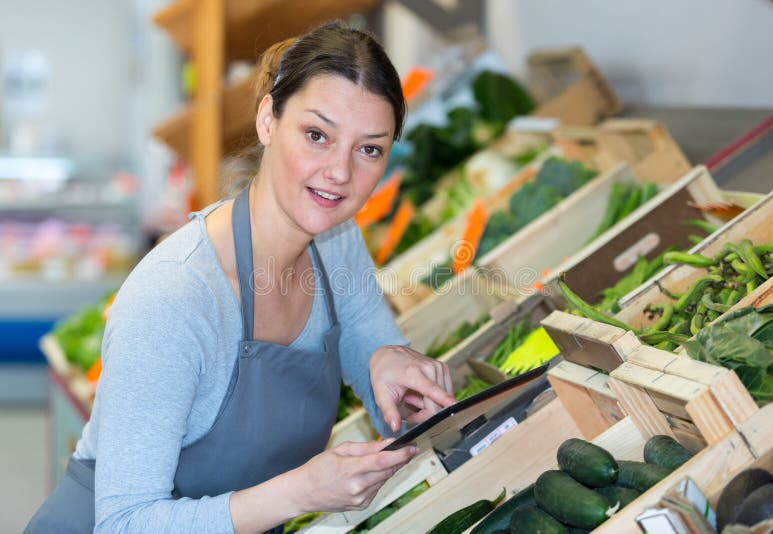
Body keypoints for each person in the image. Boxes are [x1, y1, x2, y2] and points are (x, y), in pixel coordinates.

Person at [26, 21, 455, 534]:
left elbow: (369, 342)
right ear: (268, 121)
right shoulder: (176, 297)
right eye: (317, 135)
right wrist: (299, 491)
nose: (340, 172)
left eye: (369, 149)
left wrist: (389, 369)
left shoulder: (336, 245)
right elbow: (123, 522)